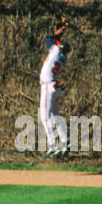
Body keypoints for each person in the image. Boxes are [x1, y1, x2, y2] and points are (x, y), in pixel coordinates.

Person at [39, 20, 70, 156]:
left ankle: (53, 145)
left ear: (59, 46)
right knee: (55, 116)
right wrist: (61, 31)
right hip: (53, 86)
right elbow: (53, 41)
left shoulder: (56, 50)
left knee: (45, 117)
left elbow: (48, 39)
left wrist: (59, 32)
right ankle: (66, 141)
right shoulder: (62, 56)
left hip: (47, 86)